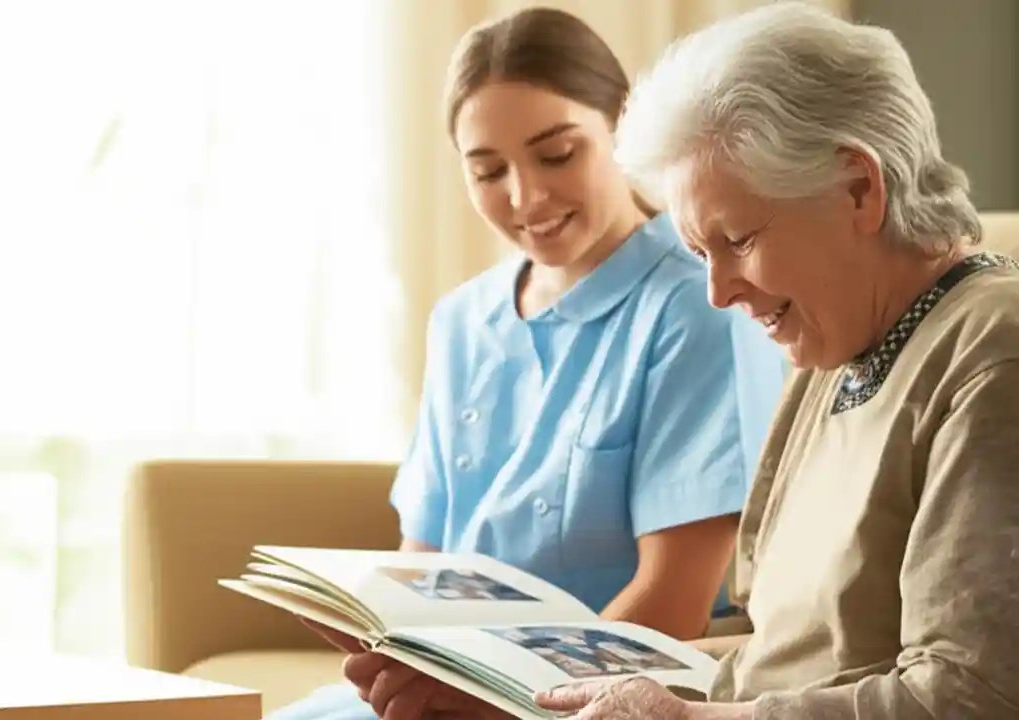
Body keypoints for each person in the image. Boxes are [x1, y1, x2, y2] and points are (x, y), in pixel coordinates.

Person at [269, 7, 785, 720]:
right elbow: (421, 563)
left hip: (589, 697)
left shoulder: (696, 301)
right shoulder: (461, 320)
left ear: (623, 126)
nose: (525, 197)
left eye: (557, 154)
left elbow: (674, 600)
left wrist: (493, 696)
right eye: (487, 171)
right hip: (451, 690)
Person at [523, 3, 1019, 719]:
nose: (719, 292)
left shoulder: (993, 353)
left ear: (858, 188)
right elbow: (778, 652)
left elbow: (970, 698)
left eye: (739, 239)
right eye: (699, 253)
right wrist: (537, 692)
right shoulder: (836, 346)